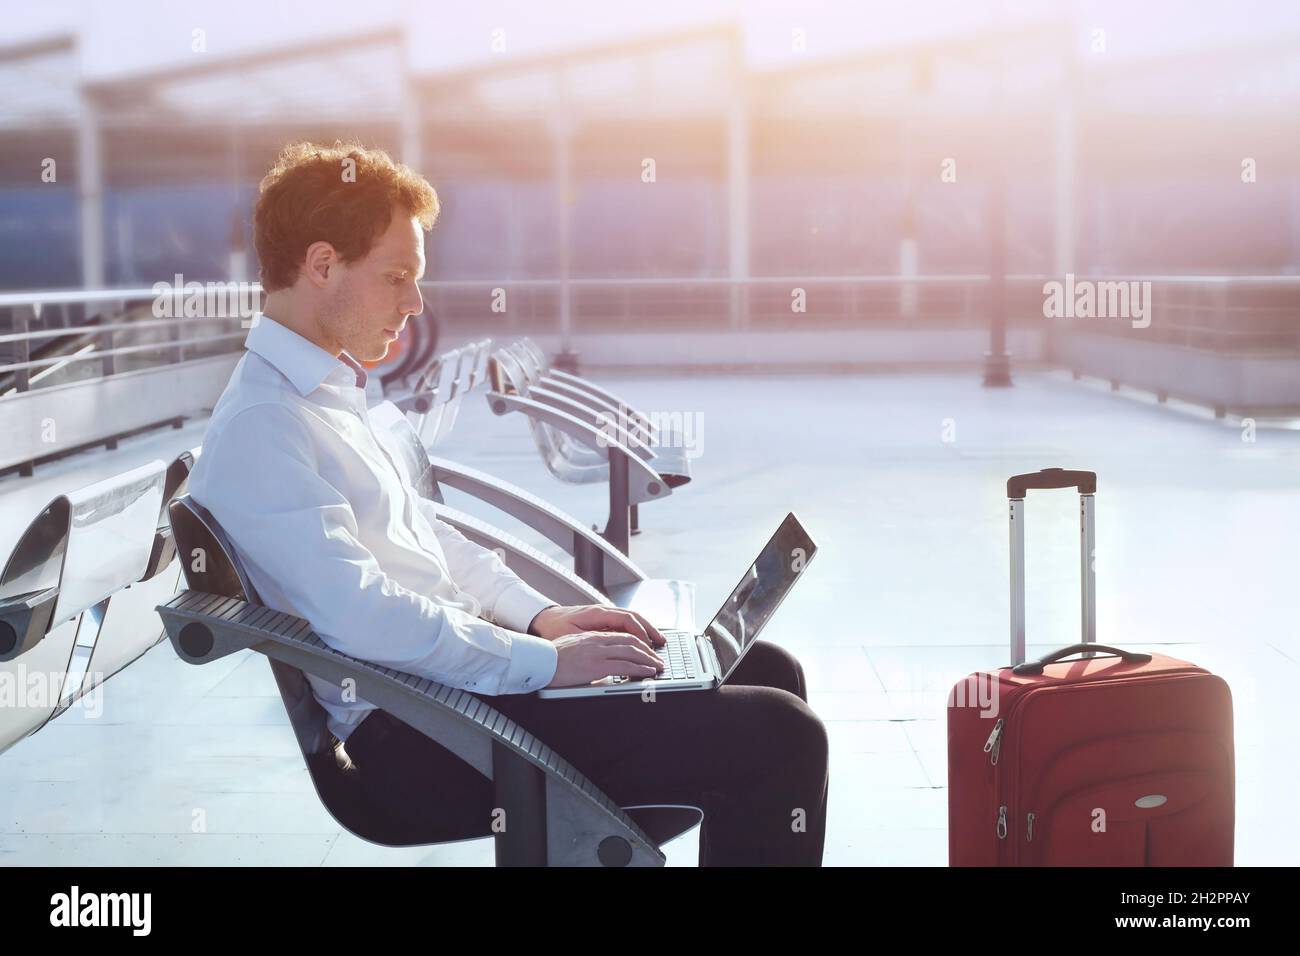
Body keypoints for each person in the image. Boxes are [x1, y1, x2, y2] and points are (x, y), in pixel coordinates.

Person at [187, 141, 828, 866]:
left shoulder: (329, 392)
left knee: (767, 670)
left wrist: (543, 619)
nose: (415, 303)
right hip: (420, 737)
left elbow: (428, 539)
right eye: (397, 276)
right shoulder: (267, 425)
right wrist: (545, 664)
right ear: (322, 264)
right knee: (780, 737)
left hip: (452, 695)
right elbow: (363, 616)